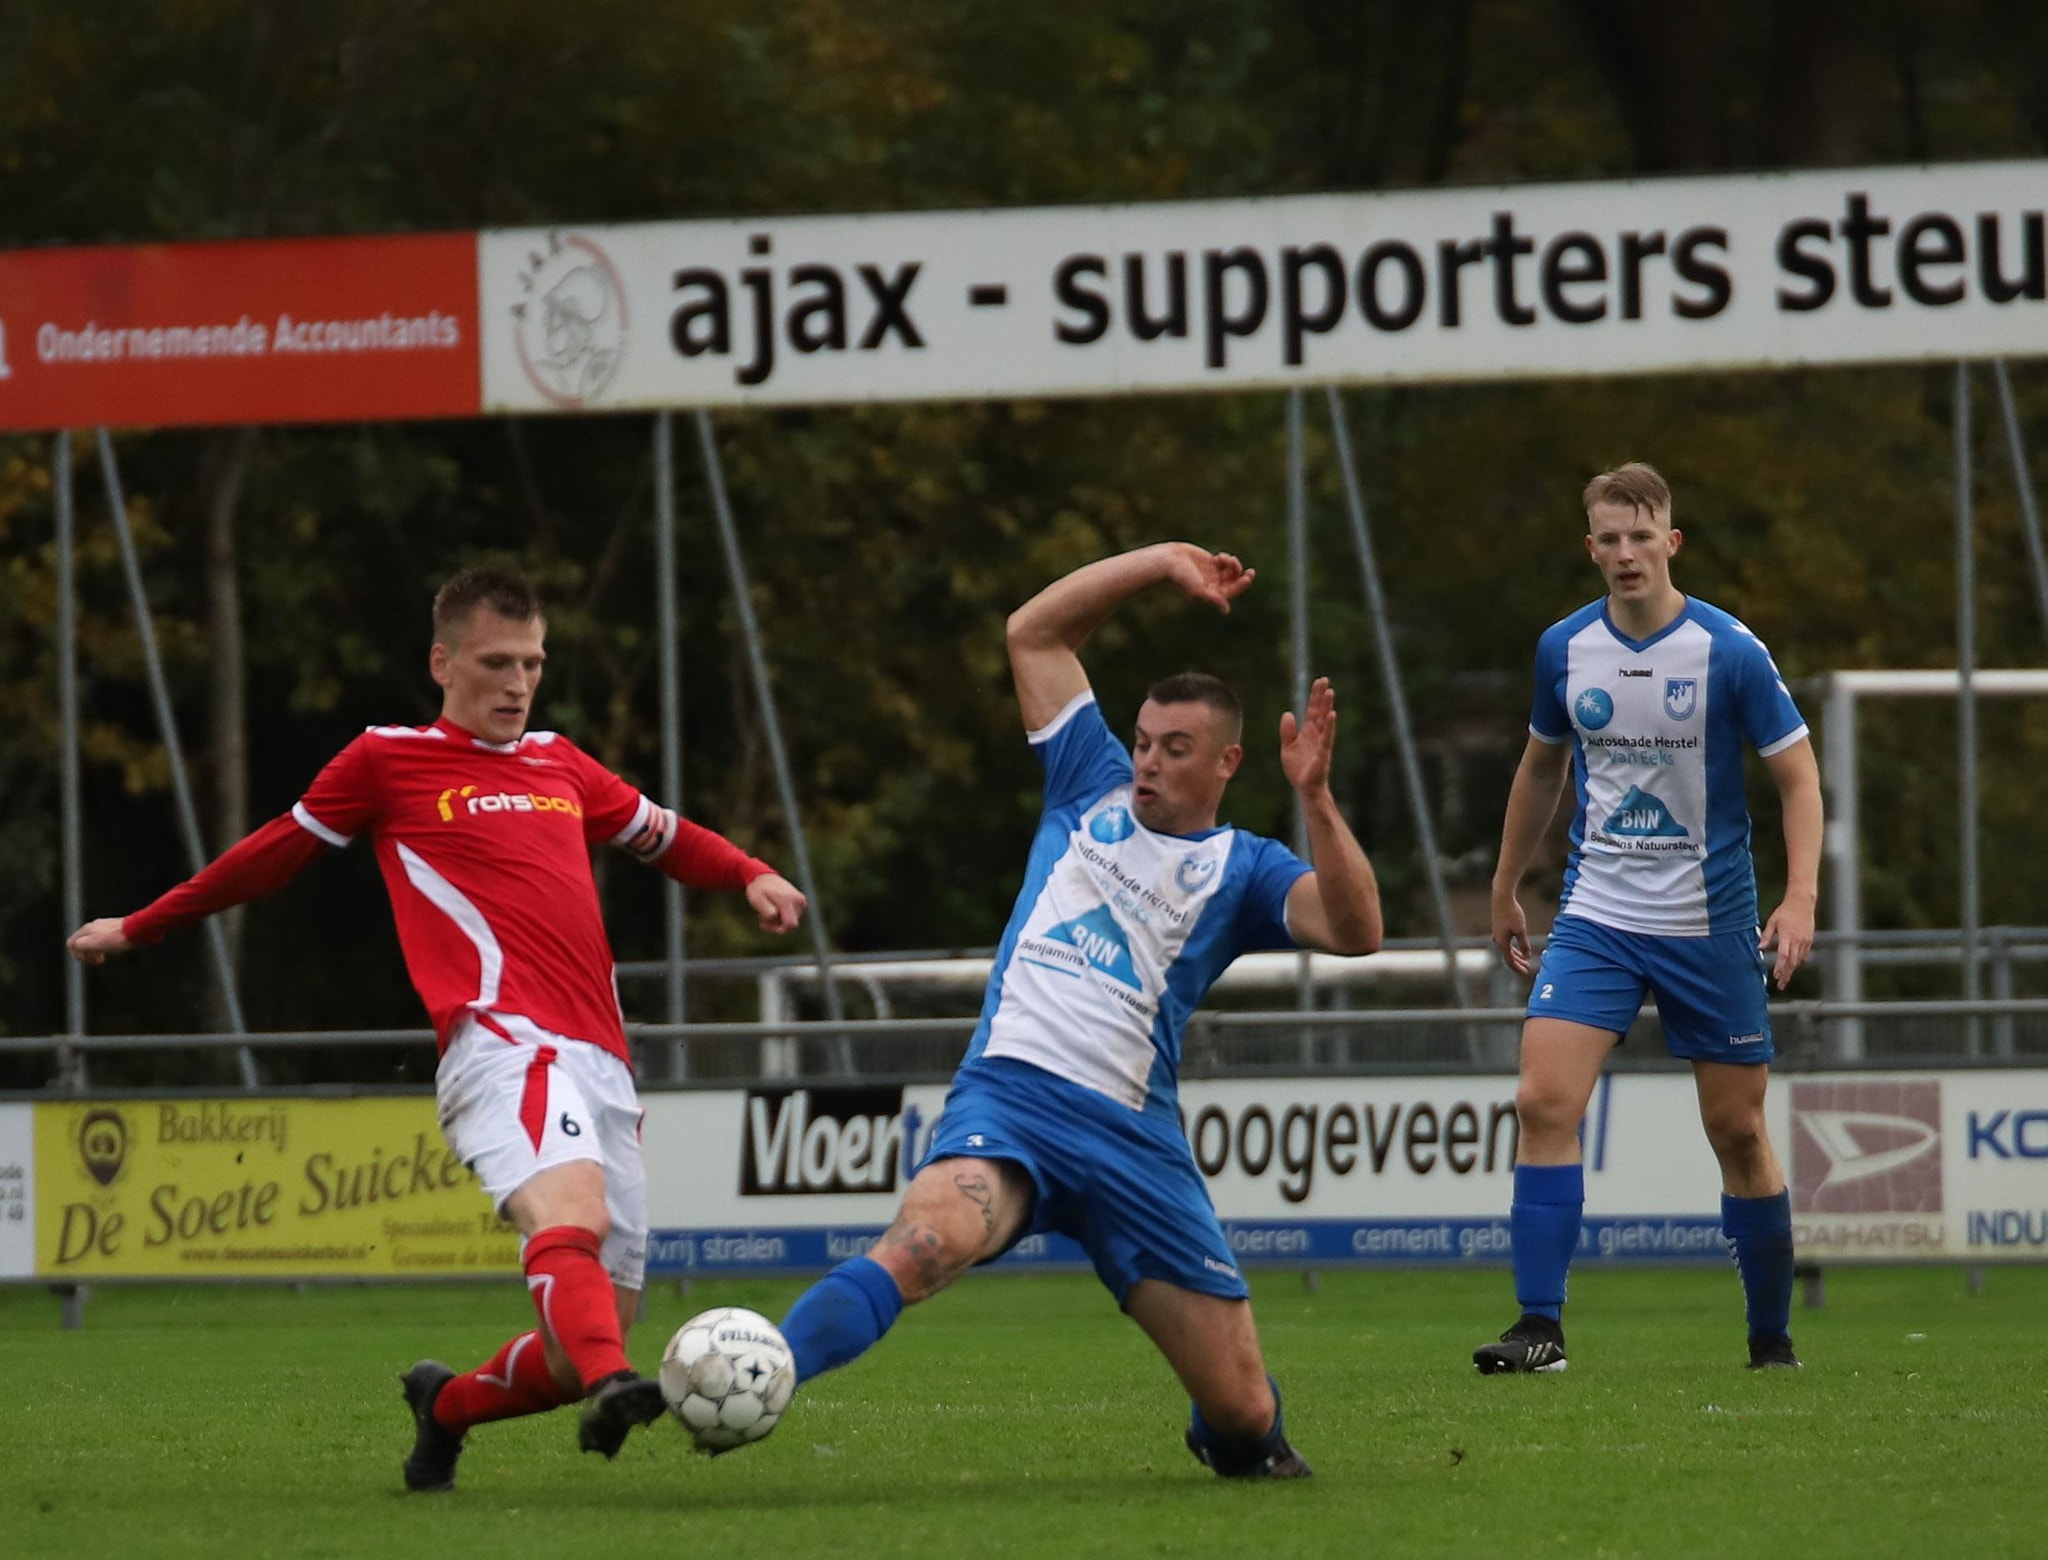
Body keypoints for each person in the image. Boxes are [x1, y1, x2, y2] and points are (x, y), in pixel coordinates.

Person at [67, 567, 806, 1490]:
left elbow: (664, 833)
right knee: (572, 1235)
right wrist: (142, 924)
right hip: (502, 1042)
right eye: (497, 661)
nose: (518, 682)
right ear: (442, 662)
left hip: (604, 1065)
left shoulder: (560, 764)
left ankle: (446, 1405)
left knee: (578, 1341)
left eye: (532, 662)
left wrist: (749, 873)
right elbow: (273, 854)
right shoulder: (388, 759)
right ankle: (616, 1385)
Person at [754, 541, 1383, 1479]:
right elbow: (1033, 632)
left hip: (1133, 1142)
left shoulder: (1245, 868)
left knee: (1246, 1416)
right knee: (921, 1243)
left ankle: (1234, 1438)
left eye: (1176, 750)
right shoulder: (1085, 783)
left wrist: (1317, 799)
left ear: (1227, 763)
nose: (1149, 764)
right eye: (1143, 742)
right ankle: (761, 1371)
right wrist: (1164, 560)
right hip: (1007, 1101)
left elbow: (1357, 929)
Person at [1479, 463, 1823, 1375]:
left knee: (1738, 1132)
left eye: (1642, 537)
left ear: (1671, 543)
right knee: (1543, 1101)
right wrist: (1508, 881)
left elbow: (1798, 775)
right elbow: (1541, 769)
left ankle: (1770, 1340)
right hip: (1597, 914)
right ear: (1589, 546)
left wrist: (1800, 897)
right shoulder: (1565, 649)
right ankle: (1539, 1328)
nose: (1626, 554)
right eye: (1609, 538)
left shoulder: (1729, 651)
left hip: (1710, 921)